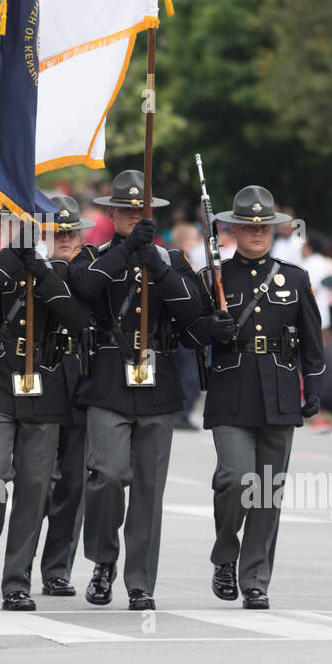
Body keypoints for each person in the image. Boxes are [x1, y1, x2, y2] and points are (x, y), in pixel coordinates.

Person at [67, 170, 205, 610]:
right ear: (111, 213)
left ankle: (141, 580)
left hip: (157, 381)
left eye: (138, 210)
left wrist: (155, 264)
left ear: (151, 213)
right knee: (106, 475)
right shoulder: (95, 256)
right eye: (123, 210)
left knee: (149, 486)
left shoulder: (173, 260)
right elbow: (84, 288)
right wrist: (127, 249)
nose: (131, 215)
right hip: (108, 378)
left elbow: (191, 311)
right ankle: (103, 560)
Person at [183, 185, 325, 611]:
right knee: (235, 478)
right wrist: (214, 330)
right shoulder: (214, 277)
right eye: (249, 226)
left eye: (265, 225)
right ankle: (225, 554)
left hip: (279, 393)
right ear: (234, 229)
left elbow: (313, 346)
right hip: (231, 390)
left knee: (266, 492)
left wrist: (313, 390)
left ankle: (255, 579)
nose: (257, 232)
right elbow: (189, 332)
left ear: (274, 230)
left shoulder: (294, 278)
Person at [0, 201, 91, 612]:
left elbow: (77, 319)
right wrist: (14, 255)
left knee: (35, 488)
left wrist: (41, 269)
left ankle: (17, 580)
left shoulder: (68, 272)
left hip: (45, 384)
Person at [36, 196, 96, 597]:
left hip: (78, 384)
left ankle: (57, 567)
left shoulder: (89, 271)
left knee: (72, 485)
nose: (65, 238)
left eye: (71, 232)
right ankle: (14, 566)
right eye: (57, 232)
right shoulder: (30, 267)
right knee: (34, 483)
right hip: (37, 382)